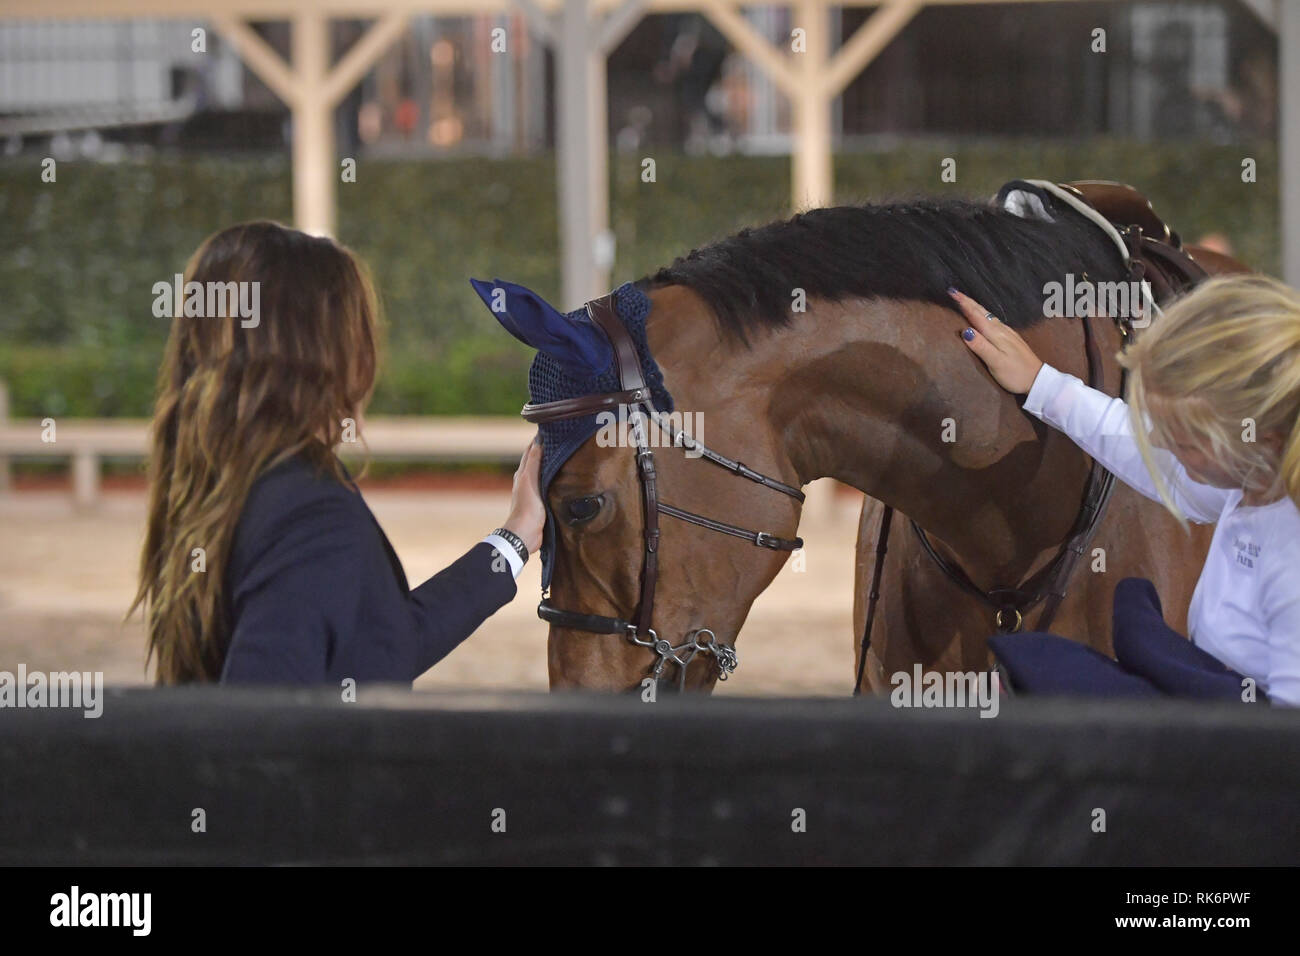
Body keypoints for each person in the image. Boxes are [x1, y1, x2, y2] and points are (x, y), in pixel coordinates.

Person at [130, 221, 544, 685]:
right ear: (321, 357)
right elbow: (256, 727)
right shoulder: (310, 517)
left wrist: (515, 537)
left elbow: (385, 642)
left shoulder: (225, 489)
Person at [949, 275, 1300, 705]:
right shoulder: (1255, 480)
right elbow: (1138, 444)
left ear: (1263, 440)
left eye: (1182, 438)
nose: (1157, 442)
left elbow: (1283, 750)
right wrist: (1042, 383)